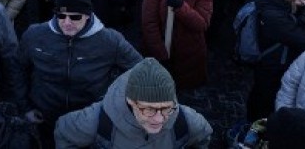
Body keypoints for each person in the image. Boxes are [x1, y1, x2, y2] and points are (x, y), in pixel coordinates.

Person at [19, 0, 142, 146]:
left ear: (87, 15)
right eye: (61, 16)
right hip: (44, 118)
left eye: (75, 17)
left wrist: (116, 105)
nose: (66, 22)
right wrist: (25, 107)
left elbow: (141, 70)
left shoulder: (110, 40)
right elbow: (18, 72)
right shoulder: (35, 35)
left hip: (87, 122)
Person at [54, 57, 213, 148]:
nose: (159, 119)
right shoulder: (97, 119)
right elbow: (64, 131)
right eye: (149, 109)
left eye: (166, 108)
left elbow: (204, 136)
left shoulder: (187, 121)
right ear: (130, 101)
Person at [142, 0, 213, 95]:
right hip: (162, 51)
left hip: (189, 54)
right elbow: (149, 23)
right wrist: (160, 52)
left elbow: (201, 24)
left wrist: (181, 7)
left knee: (184, 92)